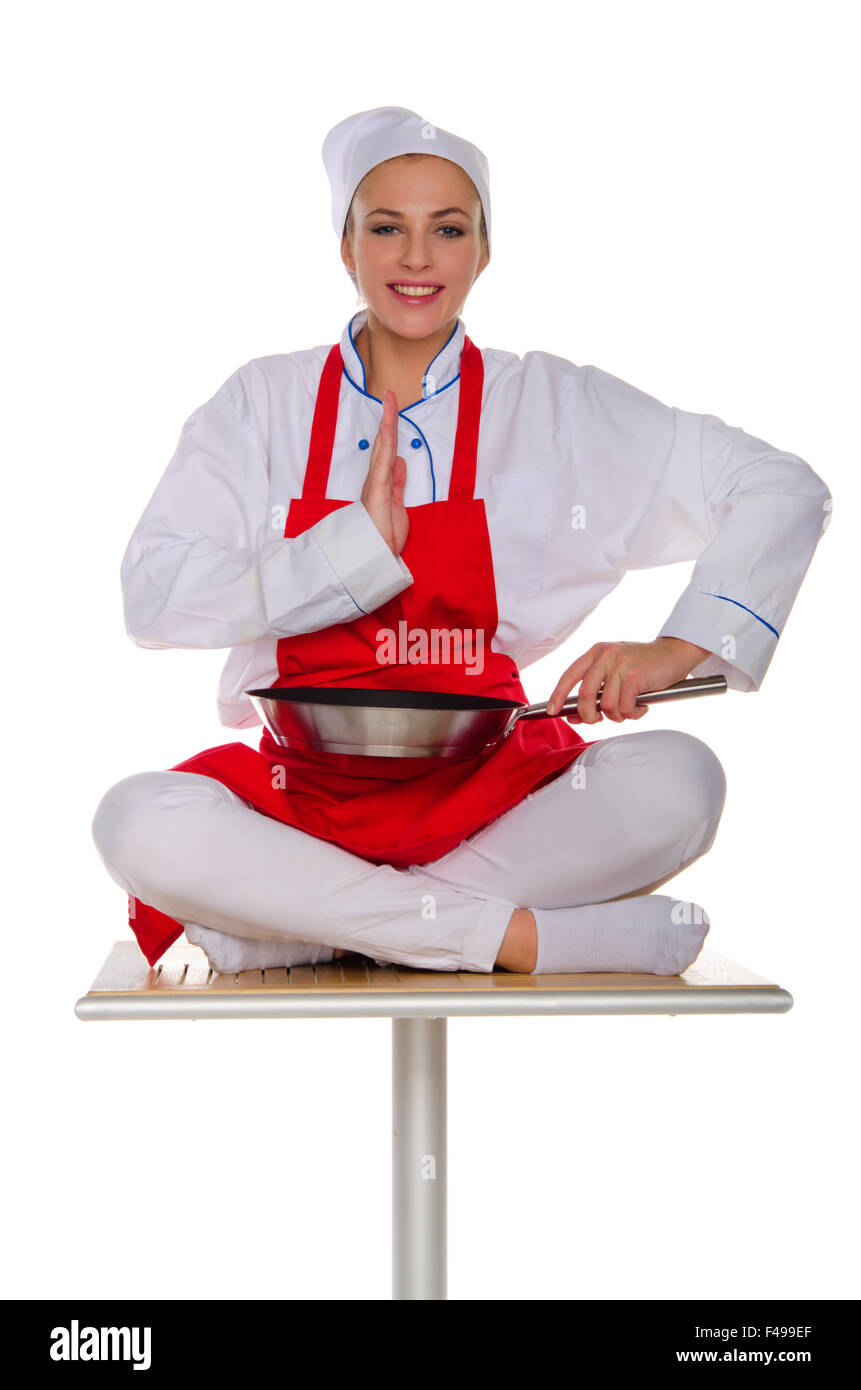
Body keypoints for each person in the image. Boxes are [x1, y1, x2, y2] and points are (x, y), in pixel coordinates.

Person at [91, 106, 831, 979]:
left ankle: (306, 923)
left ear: (483, 250)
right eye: (385, 228)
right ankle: (518, 941)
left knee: (681, 782)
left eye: (447, 229)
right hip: (302, 791)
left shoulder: (554, 407)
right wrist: (346, 552)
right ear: (345, 247)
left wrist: (678, 648)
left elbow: (780, 485)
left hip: (488, 787)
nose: (415, 258)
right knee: (136, 819)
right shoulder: (263, 403)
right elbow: (155, 595)